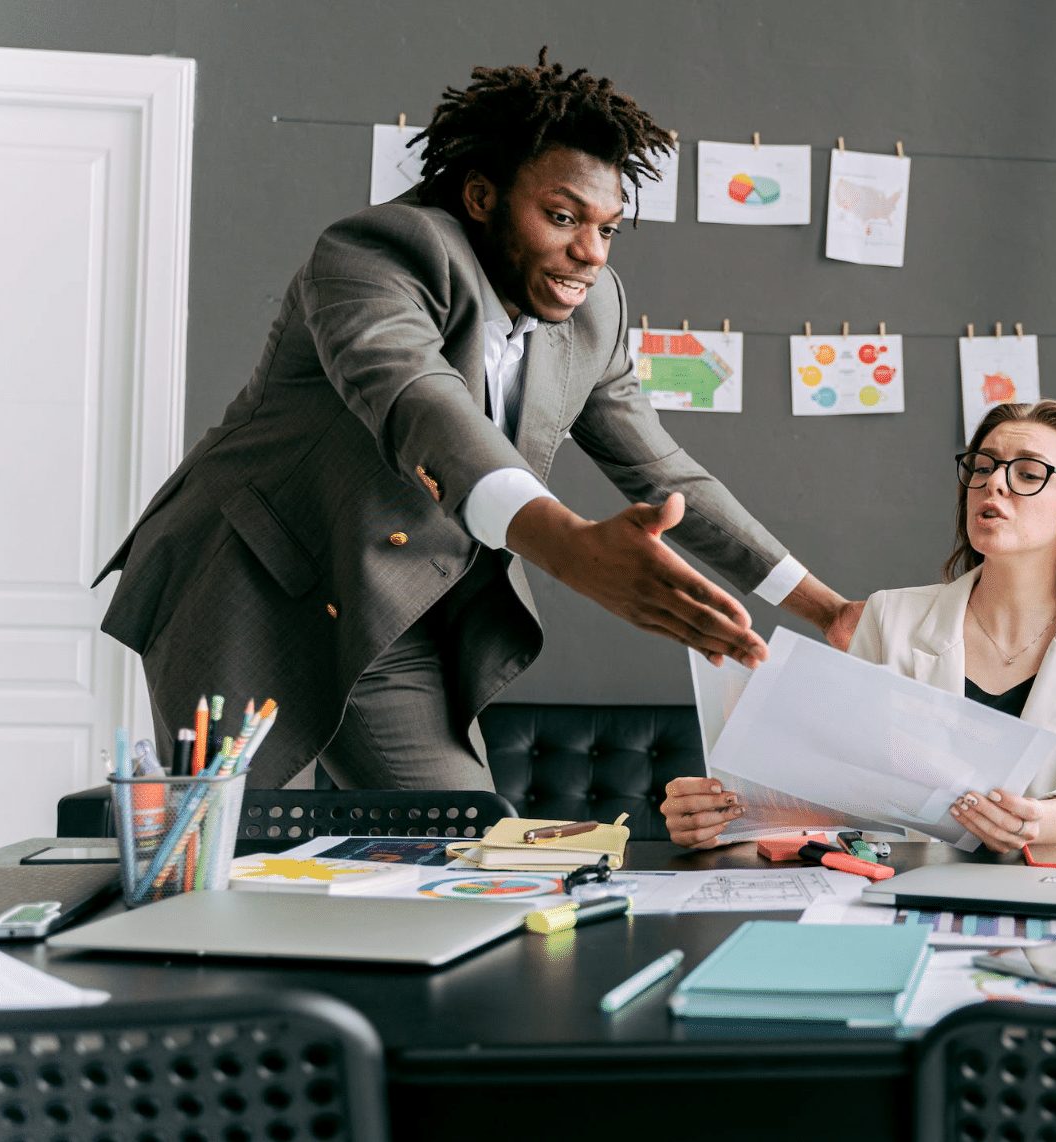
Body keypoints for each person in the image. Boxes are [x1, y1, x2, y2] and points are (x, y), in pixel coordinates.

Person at [95, 53, 859, 791]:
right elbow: (422, 404)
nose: (590, 253)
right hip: (249, 588)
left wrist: (828, 610)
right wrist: (566, 545)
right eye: (563, 217)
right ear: (482, 196)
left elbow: (664, 470)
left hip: (390, 611)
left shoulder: (594, 313)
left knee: (463, 848)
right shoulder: (377, 255)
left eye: (608, 227)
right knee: (226, 865)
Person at [663, 399, 1056, 852]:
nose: (994, 482)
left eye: (1029, 473)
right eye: (982, 467)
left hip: (1052, 897)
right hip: (904, 892)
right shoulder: (890, 617)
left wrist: (1038, 822)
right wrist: (724, 817)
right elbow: (836, 792)